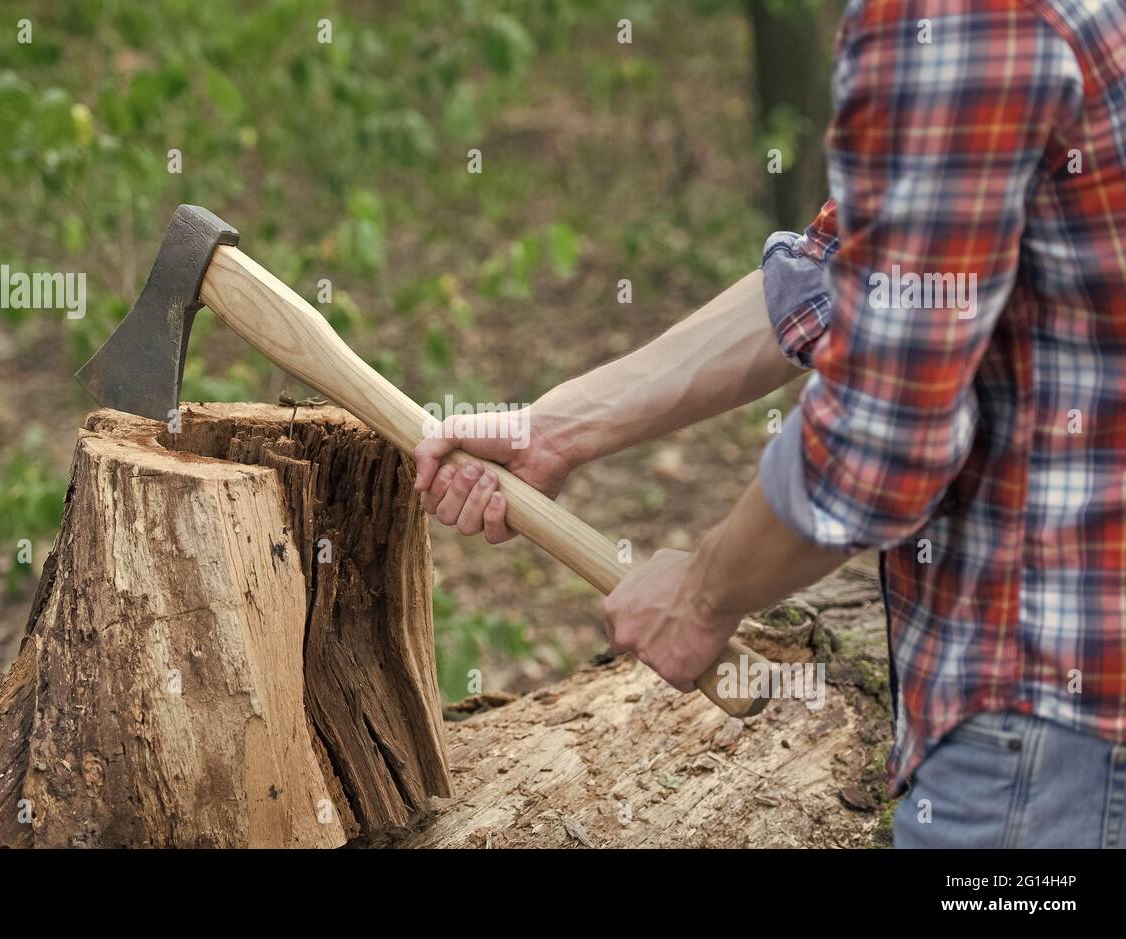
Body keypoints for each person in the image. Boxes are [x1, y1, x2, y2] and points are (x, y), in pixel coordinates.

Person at [413, 0, 1126, 848]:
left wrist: (702, 594)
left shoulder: (960, 18)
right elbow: (837, 273)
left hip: (1047, 730)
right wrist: (557, 426)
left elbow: (881, 439)